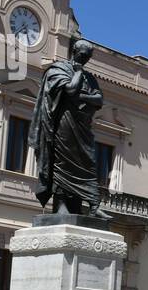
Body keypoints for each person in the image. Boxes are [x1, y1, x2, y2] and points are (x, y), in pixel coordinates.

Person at [30, 36, 107, 217]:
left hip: (82, 128)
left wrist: (82, 97)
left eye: (88, 56)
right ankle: (61, 205)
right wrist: (78, 73)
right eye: (82, 55)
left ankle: (93, 205)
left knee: (88, 162)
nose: (85, 59)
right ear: (74, 52)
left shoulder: (90, 78)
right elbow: (71, 89)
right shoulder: (58, 70)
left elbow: (99, 99)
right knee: (62, 162)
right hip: (63, 124)